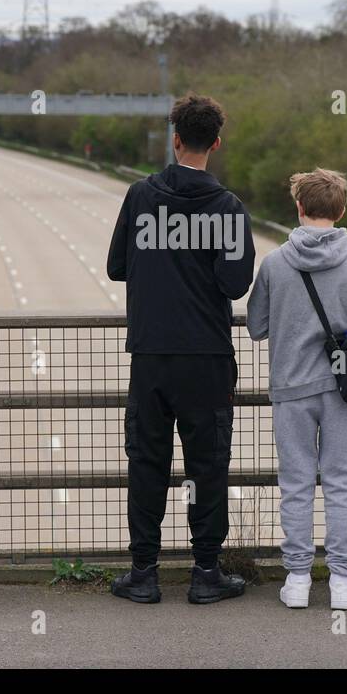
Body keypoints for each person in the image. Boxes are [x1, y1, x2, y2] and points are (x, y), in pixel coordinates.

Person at [106, 93, 257, 605]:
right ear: (215, 142)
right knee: (207, 466)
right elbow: (236, 285)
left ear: (175, 139)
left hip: (150, 356)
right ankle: (205, 573)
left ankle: (143, 573)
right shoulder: (229, 209)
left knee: (146, 462)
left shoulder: (140, 196)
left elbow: (116, 266)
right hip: (207, 359)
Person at [246, 169, 347, 611]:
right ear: (341, 210)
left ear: (299, 207)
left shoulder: (274, 264)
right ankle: (343, 581)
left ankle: (297, 579)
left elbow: (256, 325)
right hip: (345, 389)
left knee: (297, 483)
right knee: (343, 483)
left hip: (291, 388)